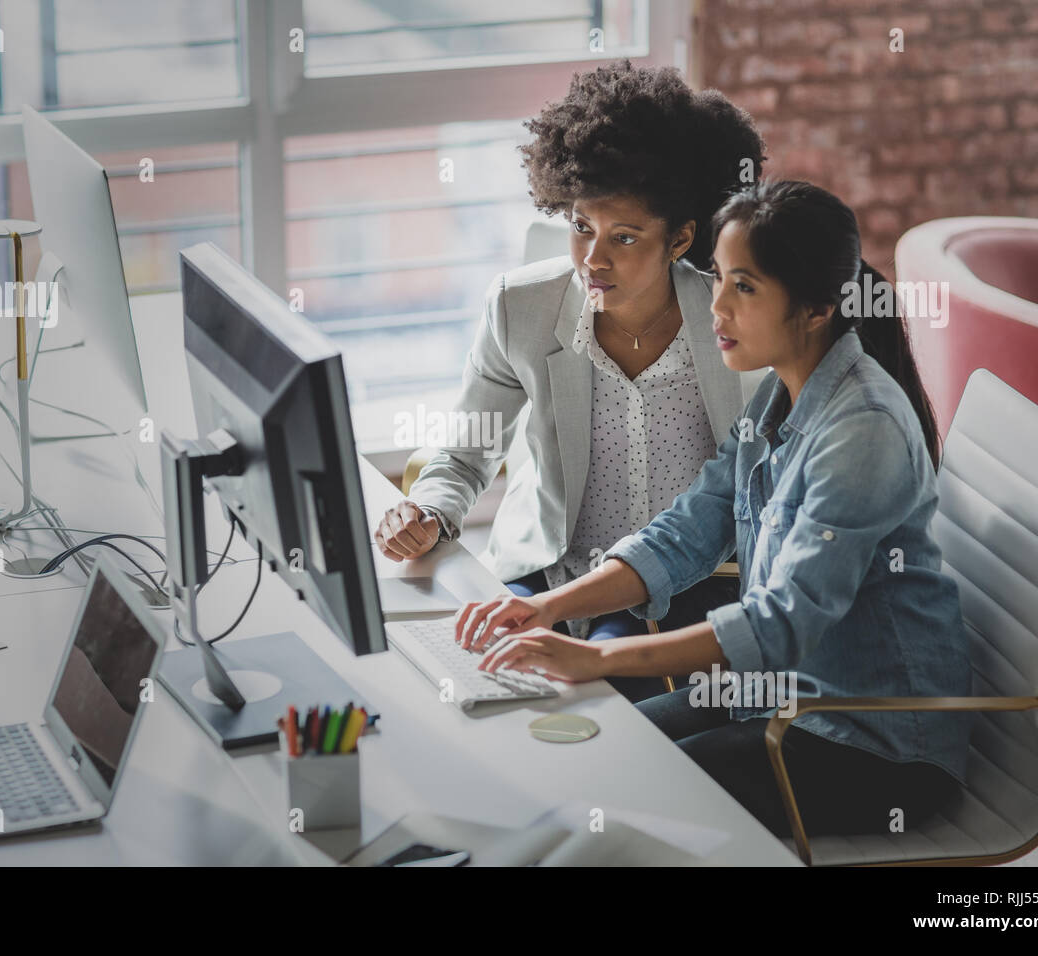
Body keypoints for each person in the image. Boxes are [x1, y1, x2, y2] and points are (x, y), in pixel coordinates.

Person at [455, 180, 971, 839]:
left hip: (872, 744)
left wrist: (600, 660)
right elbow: (686, 532)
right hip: (780, 697)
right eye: (720, 280)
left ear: (815, 309)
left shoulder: (861, 431)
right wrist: (552, 607)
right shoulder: (780, 394)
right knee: (592, 755)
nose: (716, 307)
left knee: (626, 811)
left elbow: (778, 627)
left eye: (745, 288)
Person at [374, 61, 767, 698]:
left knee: (596, 705)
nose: (592, 257)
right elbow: (468, 451)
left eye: (625, 237)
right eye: (581, 226)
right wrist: (429, 508)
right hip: (549, 567)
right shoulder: (518, 307)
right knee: (471, 674)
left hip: (687, 577)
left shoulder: (735, 320)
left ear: (681, 239)